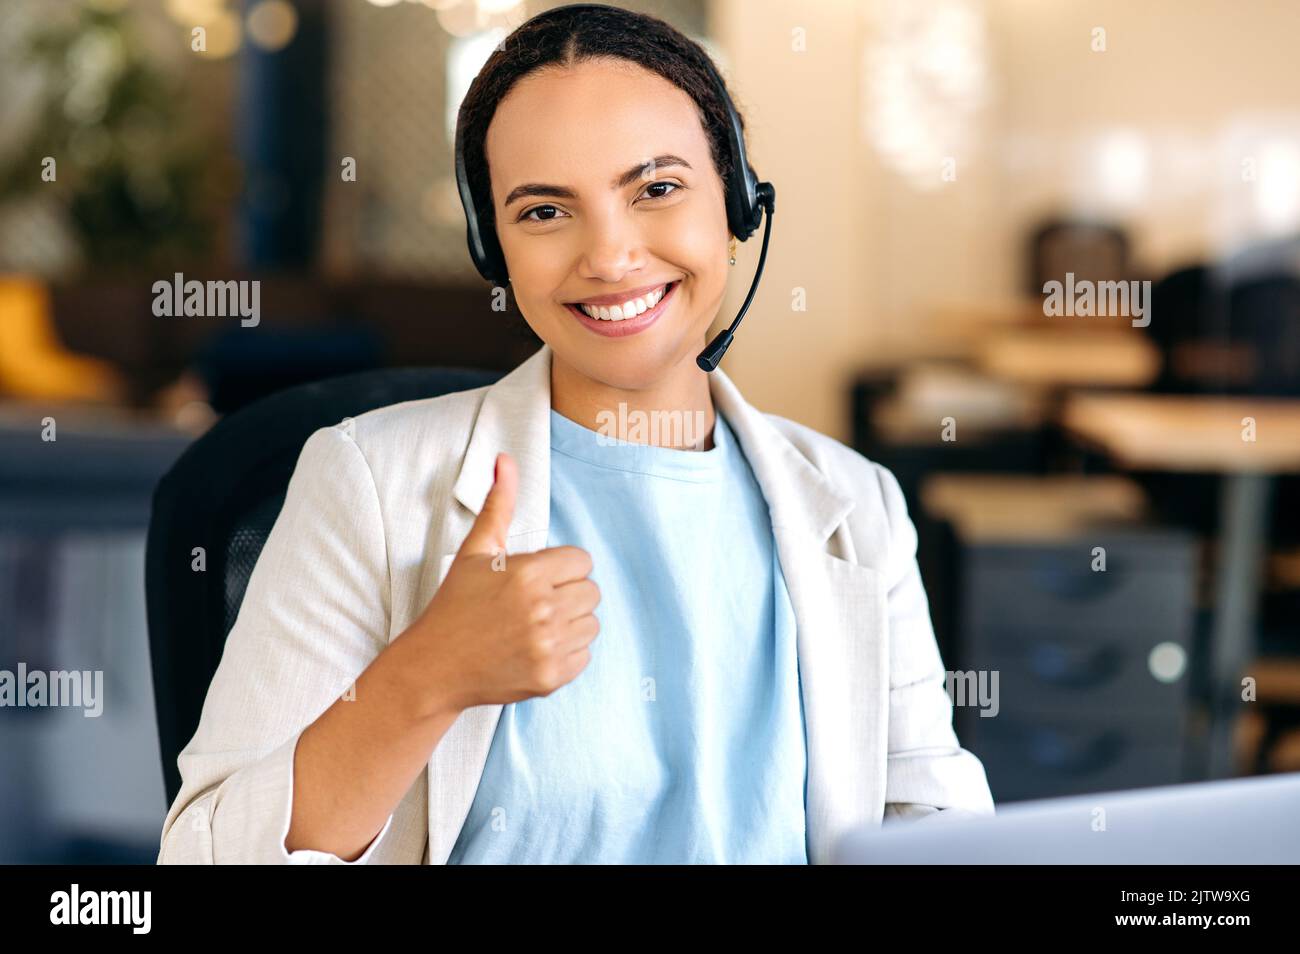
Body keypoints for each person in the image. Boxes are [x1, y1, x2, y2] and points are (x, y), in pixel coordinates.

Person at [157, 3, 993, 866]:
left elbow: (932, 821)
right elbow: (201, 859)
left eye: (657, 189)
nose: (610, 255)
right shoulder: (367, 481)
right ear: (495, 248)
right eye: (545, 213)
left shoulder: (856, 503)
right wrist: (426, 677)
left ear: (739, 204)